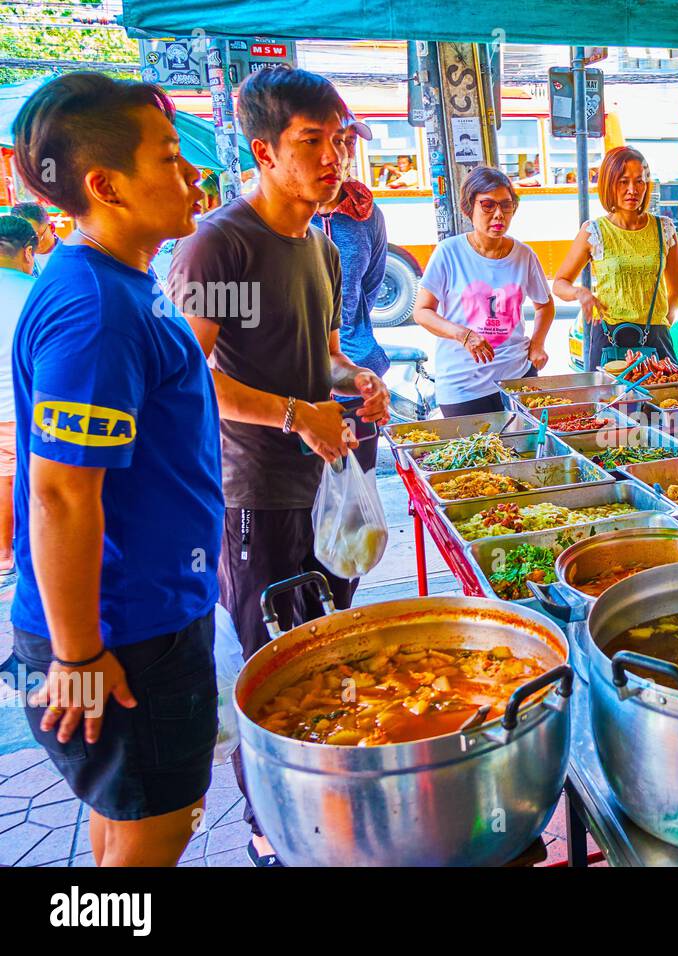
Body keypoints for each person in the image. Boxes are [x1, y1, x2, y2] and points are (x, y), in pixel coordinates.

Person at [167, 67, 390, 866]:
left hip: (328, 487)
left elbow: (323, 357)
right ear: (263, 150)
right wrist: (295, 415)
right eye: (311, 142)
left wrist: (357, 385)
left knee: (331, 651)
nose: (333, 158)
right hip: (255, 491)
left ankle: (329, 807)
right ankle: (271, 830)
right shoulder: (222, 245)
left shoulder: (322, 250)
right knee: (271, 668)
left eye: (338, 141)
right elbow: (192, 375)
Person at [9, 73, 222, 866]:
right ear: (105, 186)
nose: (191, 174)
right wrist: (75, 654)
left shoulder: (125, 282)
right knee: (153, 834)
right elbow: (61, 492)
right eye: (169, 159)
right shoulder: (95, 306)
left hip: (144, 621)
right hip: (125, 640)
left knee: (126, 819)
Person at [412, 166, 554, 418]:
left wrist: (537, 344)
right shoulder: (448, 252)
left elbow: (544, 304)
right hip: (462, 385)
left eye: (506, 205)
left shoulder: (524, 255)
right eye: (487, 205)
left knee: (525, 452)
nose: (498, 214)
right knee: (473, 455)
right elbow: (422, 312)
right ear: (470, 208)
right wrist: (463, 335)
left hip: (517, 377)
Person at [553, 146, 678, 373]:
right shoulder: (594, 231)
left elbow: (675, 291)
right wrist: (580, 293)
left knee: (665, 406)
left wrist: (660, 323)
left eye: (639, 181)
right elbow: (559, 283)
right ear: (609, 184)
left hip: (656, 339)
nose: (632, 190)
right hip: (609, 339)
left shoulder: (664, 229)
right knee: (610, 407)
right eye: (623, 181)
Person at [312, 114, 388, 472]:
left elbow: (366, 288)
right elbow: (209, 367)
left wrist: (360, 371)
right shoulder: (230, 238)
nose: (339, 154)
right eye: (330, 140)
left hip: (352, 365)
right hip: (292, 398)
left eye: (348, 142)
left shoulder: (366, 213)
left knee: (358, 498)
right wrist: (292, 413)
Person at [0, 215, 39, 576]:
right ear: (28, 252)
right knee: (18, 478)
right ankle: (14, 555)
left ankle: (3, 557)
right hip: (22, 407)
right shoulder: (37, 292)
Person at [12, 200, 61, 274]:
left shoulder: (73, 256)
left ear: (52, 228)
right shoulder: (15, 259)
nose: (32, 243)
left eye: (37, 236)